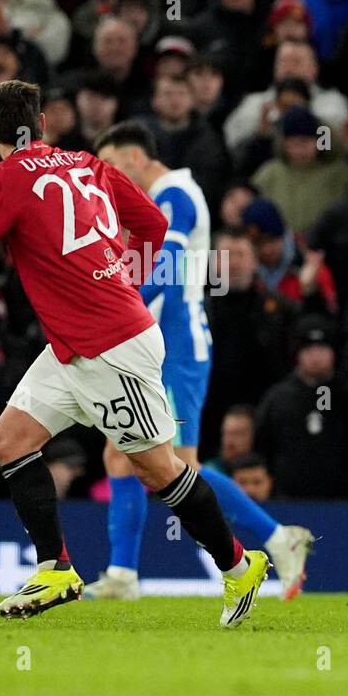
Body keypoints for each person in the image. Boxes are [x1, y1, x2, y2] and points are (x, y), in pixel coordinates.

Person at [0, 80, 269, 627]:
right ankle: (56, 569)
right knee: (9, 441)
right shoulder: (89, 163)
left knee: (157, 470)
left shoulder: (3, 180)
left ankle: (239, 564)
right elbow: (154, 225)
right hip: (75, 343)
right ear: (41, 124)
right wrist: (117, 272)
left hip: (113, 347)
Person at [87, 120, 313, 601]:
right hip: (155, 346)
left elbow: (166, 271)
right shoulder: (165, 199)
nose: (105, 178)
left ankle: (275, 536)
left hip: (177, 348)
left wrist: (118, 310)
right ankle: (123, 575)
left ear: (134, 158)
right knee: (120, 452)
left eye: (109, 166)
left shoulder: (176, 195)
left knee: (175, 464)